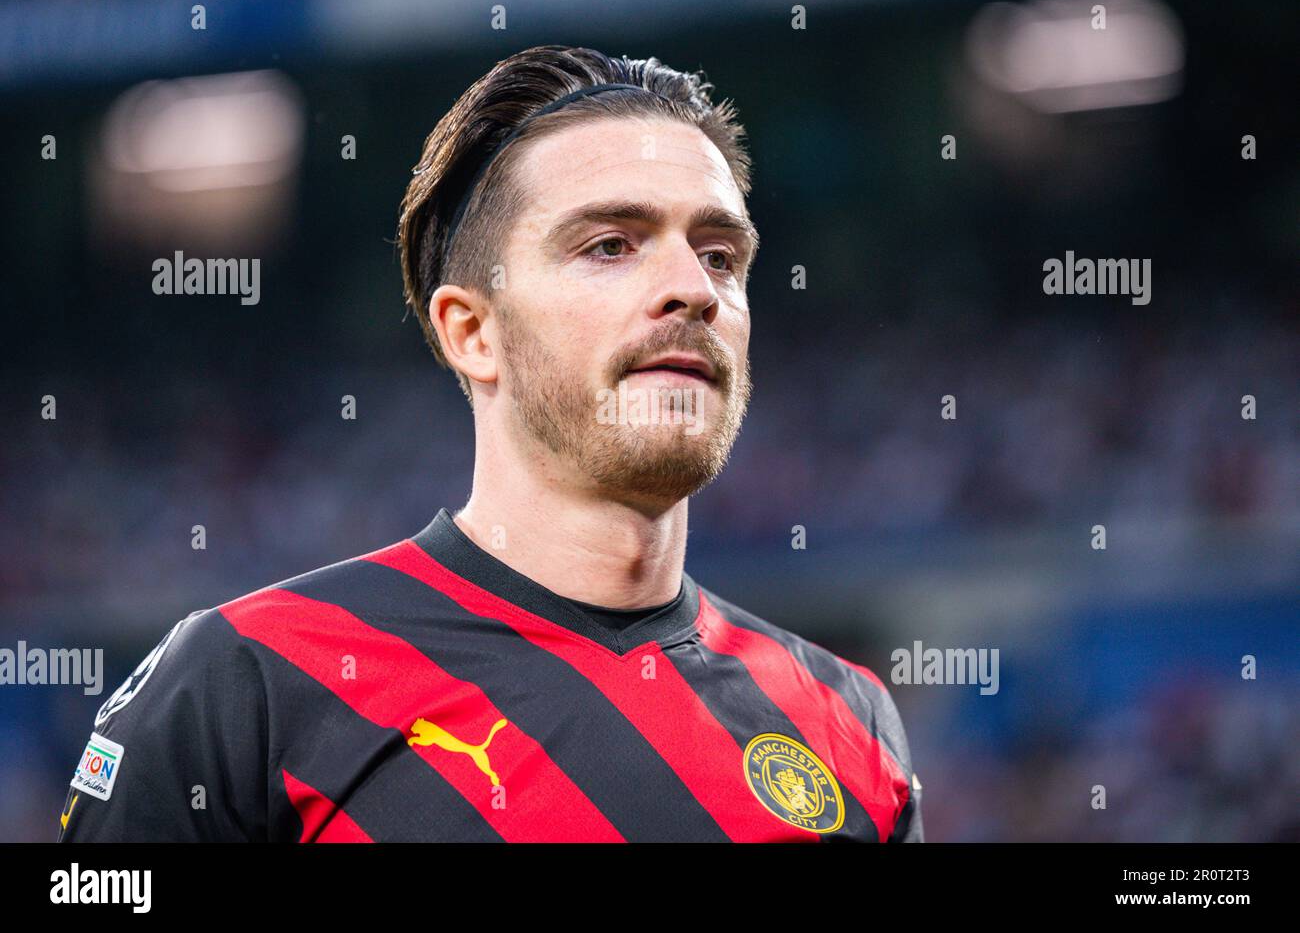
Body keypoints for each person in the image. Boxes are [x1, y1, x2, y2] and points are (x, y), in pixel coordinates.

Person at [59, 44, 922, 842]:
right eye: (611, 245)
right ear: (474, 331)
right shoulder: (245, 684)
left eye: (721, 255)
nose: (692, 290)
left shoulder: (848, 721)